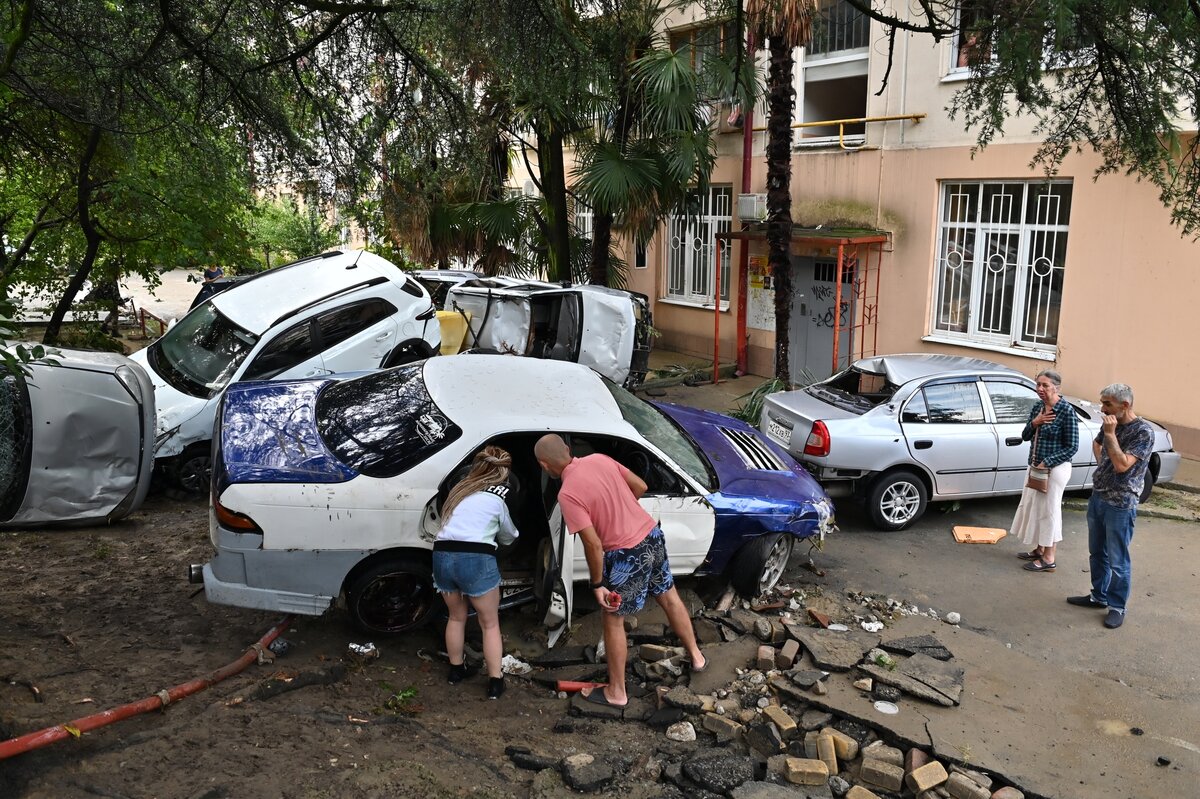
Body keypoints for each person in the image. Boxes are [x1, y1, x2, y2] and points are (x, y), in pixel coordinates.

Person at [534, 433, 705, 708]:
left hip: (627, 553)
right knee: (668, 596)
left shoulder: (567, 494)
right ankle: (697, 657)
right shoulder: (599, 459)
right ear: (567, 449)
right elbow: (641, 485)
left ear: (544, 465)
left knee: (612, 618)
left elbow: (593, 543)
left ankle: (617, 692)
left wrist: (597, 583)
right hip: (651, 534)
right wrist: (622, 511)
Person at [432, 445, 520, 699]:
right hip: (475, 559)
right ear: (502, 473)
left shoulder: (458, 492)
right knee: (489, 622)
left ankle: (456, 671)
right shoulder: (496, 500)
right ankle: (495, 682)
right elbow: (509, 536)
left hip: (442, 556)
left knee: (456, 617)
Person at [1067, 384, 1154, 629]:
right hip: (1098, 498)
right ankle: (1098, 596)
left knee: (1118, 560)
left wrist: (1111, 435)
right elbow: (1097, 445)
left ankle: (1117, 606)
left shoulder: (1143, 432)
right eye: (1102, 402)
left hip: (1121, 504)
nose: (1102, 408)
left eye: (1107, 404)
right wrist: (1101, 465)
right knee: (1097, 552)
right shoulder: (1108, 425)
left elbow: (1123, 465)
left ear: (1124, 405)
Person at [1011, 370, 1079, 572]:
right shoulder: (1038, 407)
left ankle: (1049, 558)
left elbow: (1072, 447)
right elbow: (1025, 436)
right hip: (1035, 466)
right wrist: (1036, 422)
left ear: (1056, 387)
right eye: (1038, 384)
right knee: (1034, 507)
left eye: (1045, 385)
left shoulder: (1066, 411)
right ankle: (1040, 549)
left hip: (1055, 470)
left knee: (1049, 511)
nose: (1040, 389)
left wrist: (1048, 461)